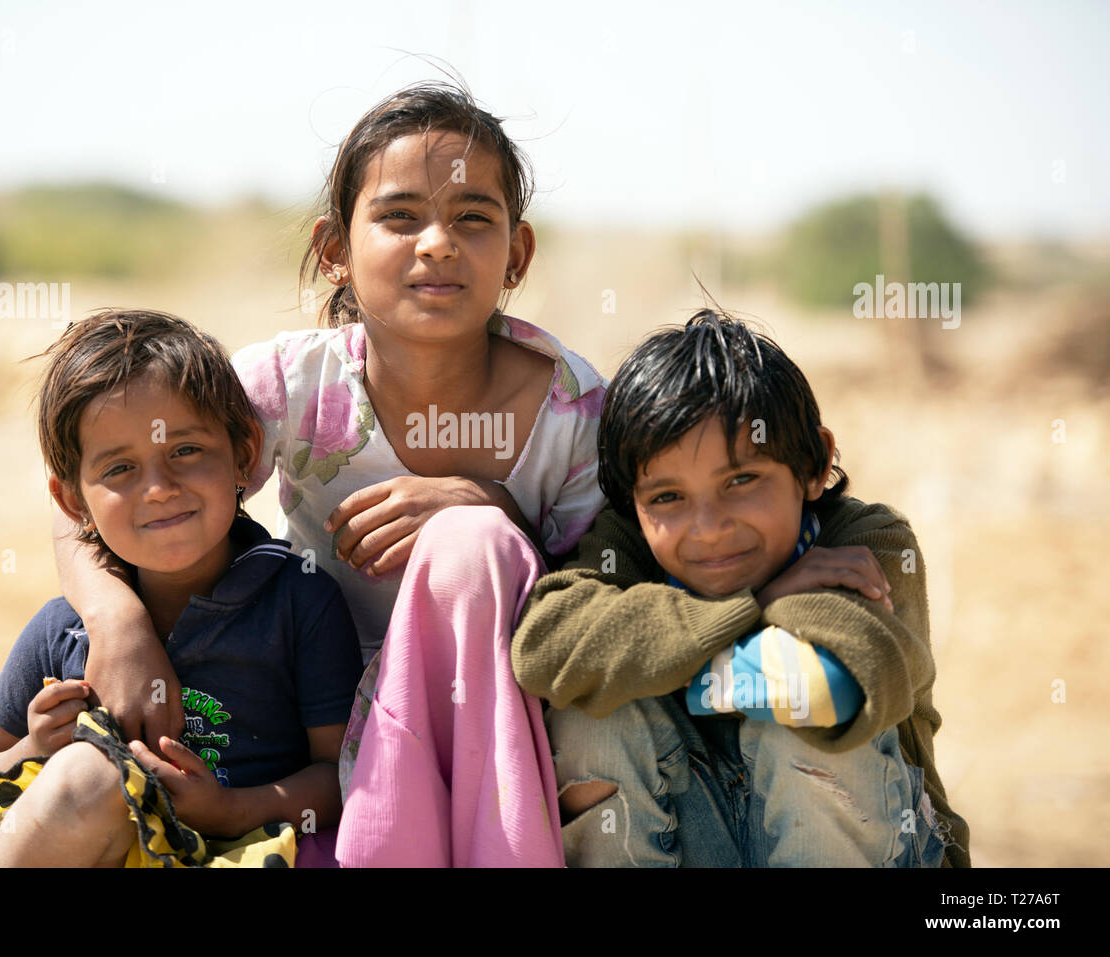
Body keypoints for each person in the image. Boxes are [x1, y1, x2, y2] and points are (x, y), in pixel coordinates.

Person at [55, 84, 608, 866]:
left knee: (473, 539)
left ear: (516, 255)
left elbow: (618, 582)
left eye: (473, 219)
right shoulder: (291, 386)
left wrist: (495, 508)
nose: (438, 243)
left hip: (502, 725)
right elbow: (91, 505)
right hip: (314, 728)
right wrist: (119, 622)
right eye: (401, 216)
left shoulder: (574, 413)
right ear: (334, 250)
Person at [512, 310, 971, 867]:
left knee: (798, 720)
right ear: (632, 501)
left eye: (741, 481)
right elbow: (547, 647)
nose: (708, 527)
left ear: (814, 464)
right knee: (592, 713)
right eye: (668, 497)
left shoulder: (863, 541)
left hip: (859, 844)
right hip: (698, 837)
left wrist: (652, 660)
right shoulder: (626, 541)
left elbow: (833, 684)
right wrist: (754, 604)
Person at [0, 309, 363, 867]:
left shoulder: (299, 602)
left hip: (233, 849)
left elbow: (340, 775)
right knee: (87, 772)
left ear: (244, 456)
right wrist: (33, 749)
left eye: (185, 451)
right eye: (120, 469)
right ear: (72, 503)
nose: (158, 489)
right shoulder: (64, 630)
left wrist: (230, 809)